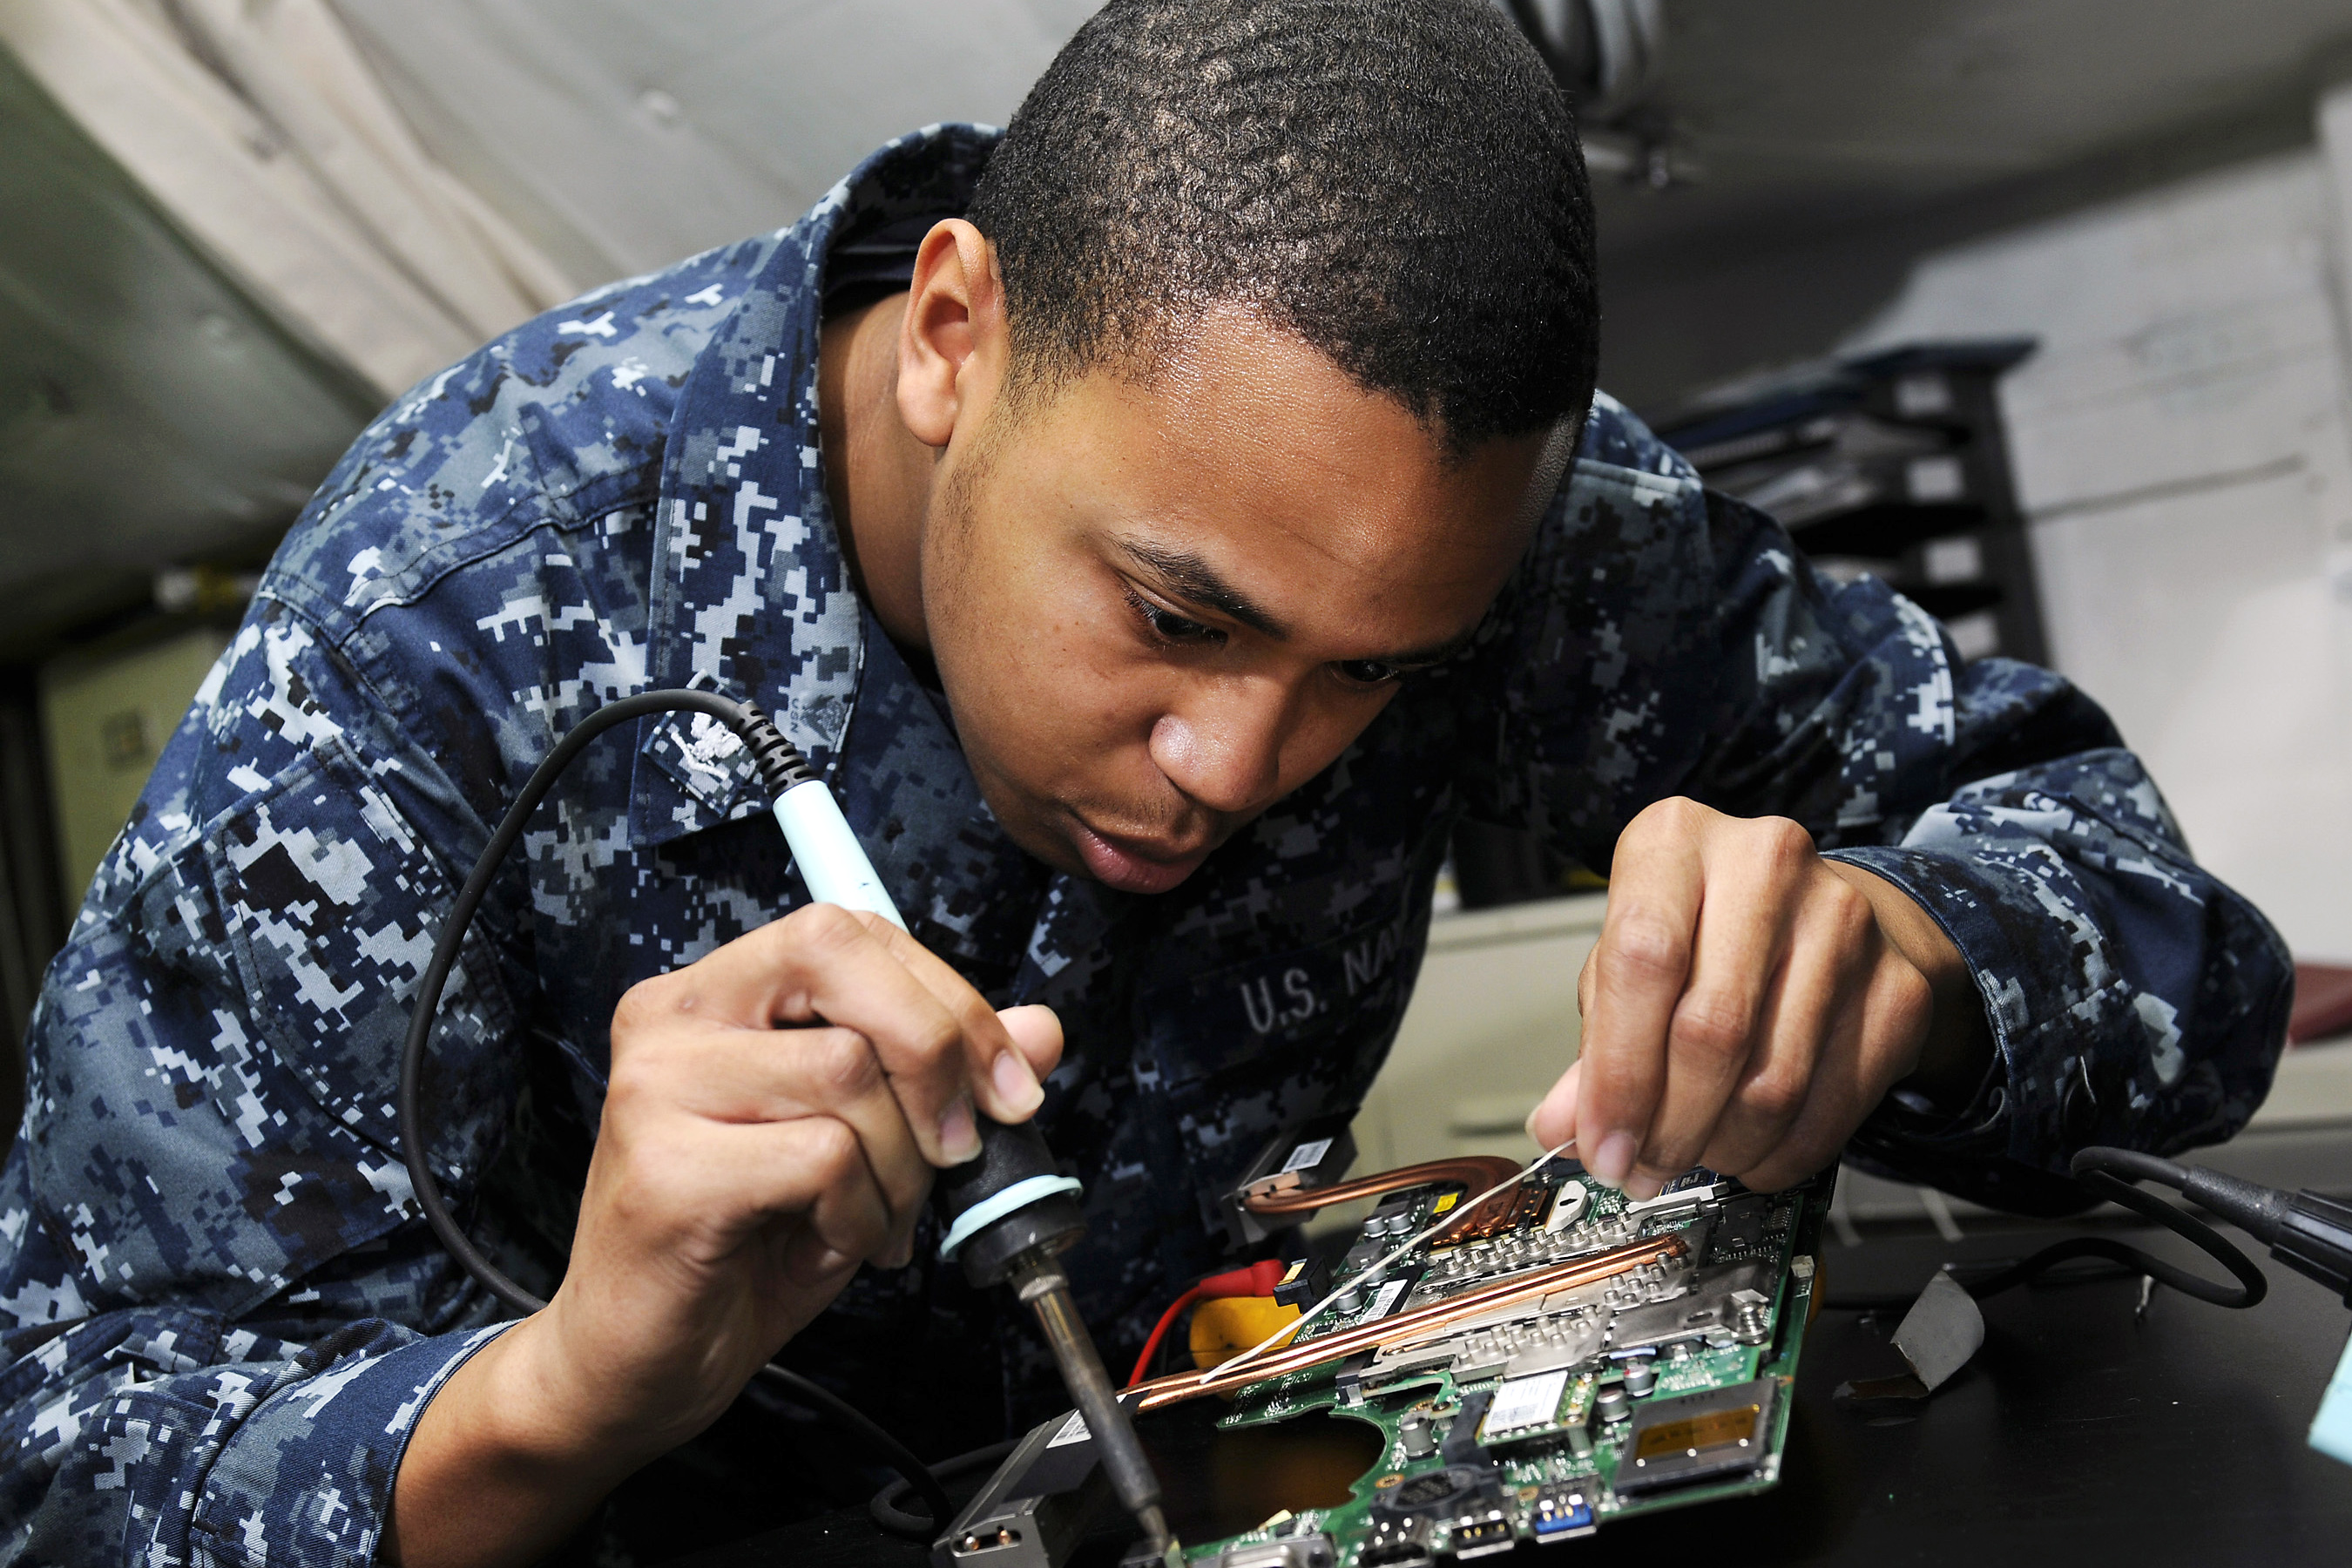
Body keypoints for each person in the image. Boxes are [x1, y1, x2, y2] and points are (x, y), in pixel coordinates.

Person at [0, 1, 2289, 1564]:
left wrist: (1917, 960)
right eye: (1176, 623)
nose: (1241, 764)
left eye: (1380, 675)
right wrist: (561, 1393)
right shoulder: (448, 609)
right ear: (956, 332)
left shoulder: (1496, 522)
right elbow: (78, 1466)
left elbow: (2173, 946)